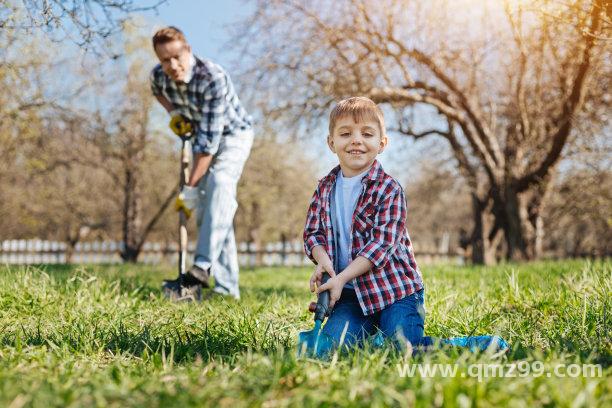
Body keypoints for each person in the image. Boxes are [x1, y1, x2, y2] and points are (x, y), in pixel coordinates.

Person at [303, 97, 508, 353]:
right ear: (331, 143)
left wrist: (341, 277)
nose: (356, 140)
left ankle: (478, 346)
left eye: (367, 134)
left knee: (404, 347)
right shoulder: (324, 188)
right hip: (351, 297)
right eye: (345, 133)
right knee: (330, 349)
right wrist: (324, 262)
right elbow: (313, 233)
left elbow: (380, 246)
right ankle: (373, 336)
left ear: (382, 143)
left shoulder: (389, 189)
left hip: (395, 292)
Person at [150, 26, 253, 299]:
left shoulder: (212, 78)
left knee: (219, 184)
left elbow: (207, 147)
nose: (172, 65)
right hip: (202, 137)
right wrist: (175, 113)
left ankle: (200, 268)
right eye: (164, 59)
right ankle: (227, 289)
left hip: (234, 135)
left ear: (188, 50)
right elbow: (156, 90)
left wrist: (190, 189)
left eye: (176, 56)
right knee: (216, 208)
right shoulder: (159, 76)